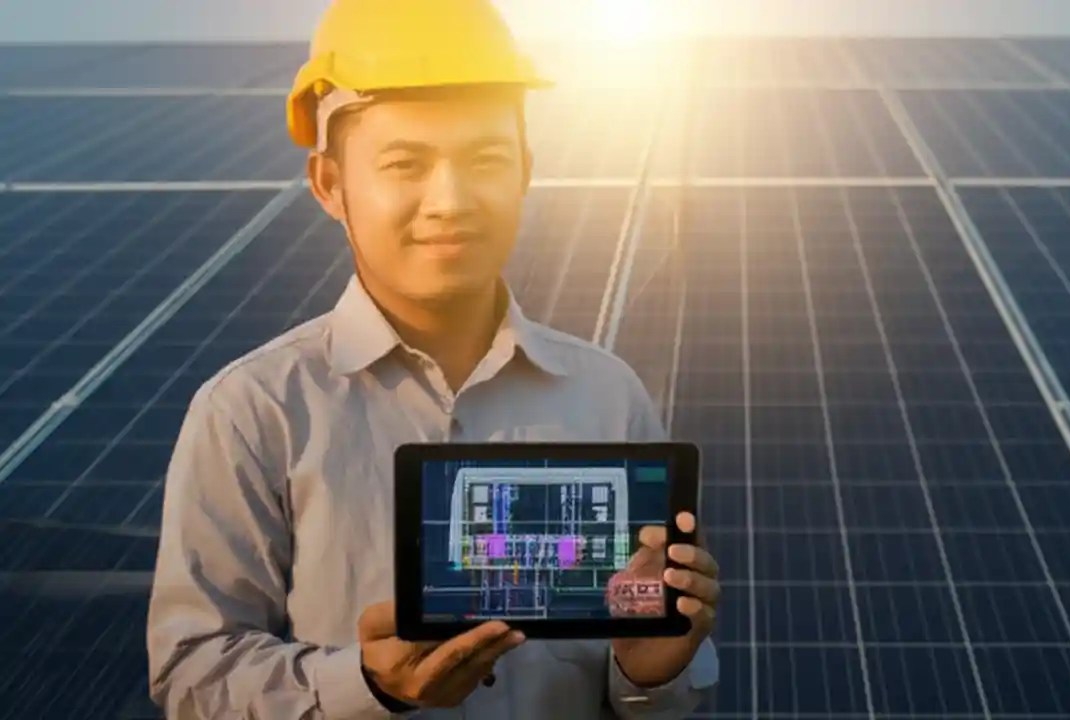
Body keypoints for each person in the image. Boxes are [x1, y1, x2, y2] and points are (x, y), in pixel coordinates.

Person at [145, 0, 720, 716]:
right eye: (405, 163)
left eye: (485, 160)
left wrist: (650, 675)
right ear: (329, 184)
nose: (450, 200)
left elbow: (660, 692)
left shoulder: (608, 394)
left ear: (525, 172)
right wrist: (369, 687)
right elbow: (193, 675)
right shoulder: (255, 411)